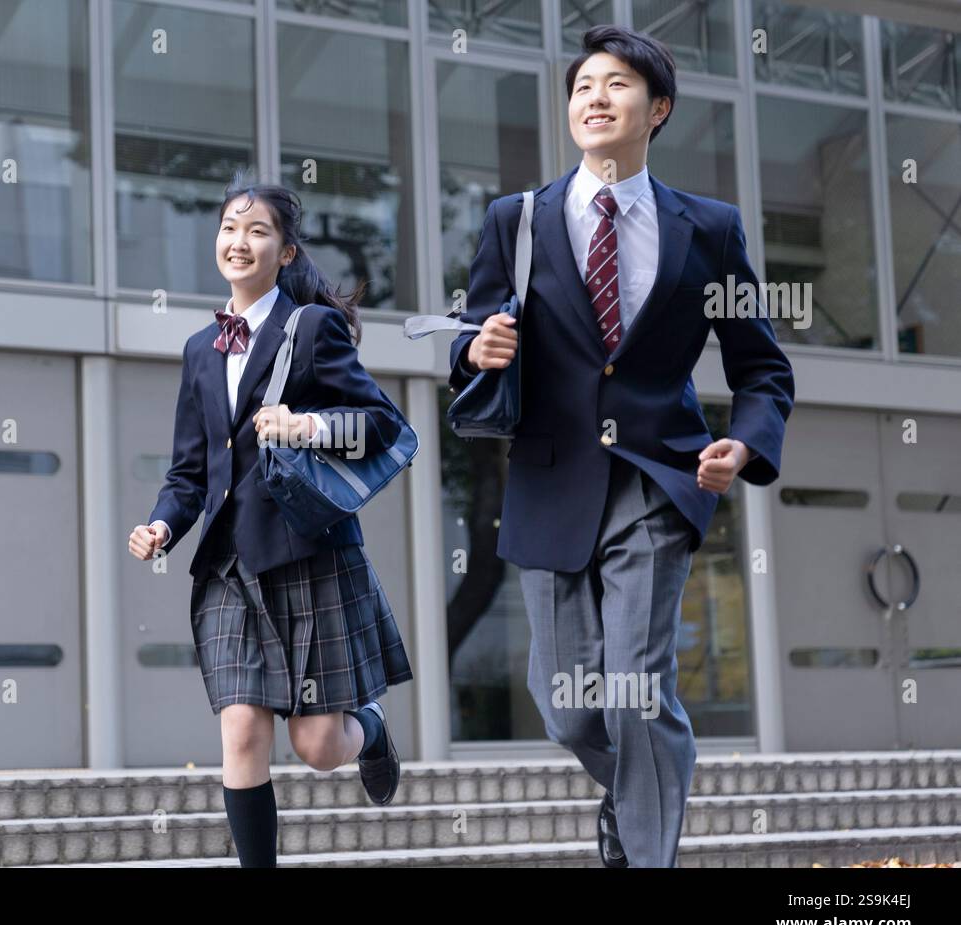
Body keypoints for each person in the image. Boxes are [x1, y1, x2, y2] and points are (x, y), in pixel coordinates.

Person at [449, 25, 795, 867]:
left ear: (658, 109)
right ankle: (640, 794)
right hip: (550, 481)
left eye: (617, 85)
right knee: (568, 708)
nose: (595, 99)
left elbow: (762, 368)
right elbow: (470, 336)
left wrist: (741, 448)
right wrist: (474, 347)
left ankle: (647, 853)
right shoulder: (517, 221)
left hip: (656, 478)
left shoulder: (707, 230)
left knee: (638, 694)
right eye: (582, 87)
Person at [128, 174, 414, 867]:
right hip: (228, 565)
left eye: (257, 231)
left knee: (317, 747)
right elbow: (189, 471)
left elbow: (383, 424)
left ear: (285, 253)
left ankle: (369, 731)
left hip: (307, 553)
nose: (239, 240)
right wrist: (164, 523)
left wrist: (306, 424)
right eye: (229, 227)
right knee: (241, 730)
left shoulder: (309, 328)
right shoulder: (201, 348)